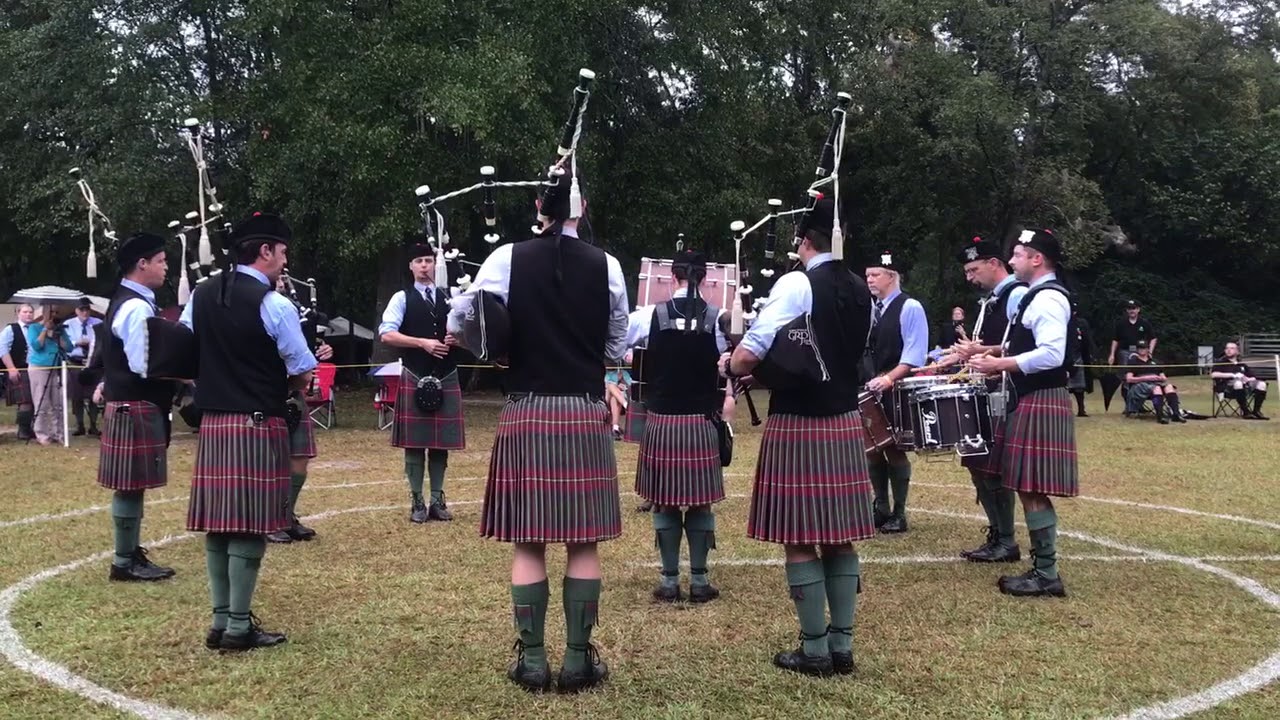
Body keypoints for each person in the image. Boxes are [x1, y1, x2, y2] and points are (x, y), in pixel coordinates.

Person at [450, 161, 627, 693]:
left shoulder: (506, 258)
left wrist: (498, 349)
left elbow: (461, 321)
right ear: (581, 208)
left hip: (526, 409)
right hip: (583, 409)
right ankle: (577, 661)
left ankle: (531, 661)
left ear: (538, 207)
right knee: (583, 541)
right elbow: (616, 344)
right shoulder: (608, 266)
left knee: (529, 542)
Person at [723, 197, 874, 677]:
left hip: (799, 423)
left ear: (804, 240)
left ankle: (814, 650)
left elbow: (751, 352)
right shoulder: (862, 289)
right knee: (841, 538)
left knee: (800, 537)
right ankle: (842, 646)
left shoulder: (796, 283)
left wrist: (733, 365)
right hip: (845, 419)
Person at [181, 213, 317, 651]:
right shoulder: (274, 304)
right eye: (282, 252)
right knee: (249, 526)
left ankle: (220, 621)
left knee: (219, 526)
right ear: (265, 251)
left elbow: (182, 350)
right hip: (258, 423)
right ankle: (238, 628)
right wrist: (286, 384)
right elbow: (302, 368)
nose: (285, 260)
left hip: (214, 423)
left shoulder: (200, 295)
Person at [970, 228, 1078, 597]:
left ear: (1037, 259)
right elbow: (1028, 346)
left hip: (1041, 397)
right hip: (1033, 397)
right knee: (1027, 486)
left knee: (1033, 488)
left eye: (1017, 254)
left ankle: (1047, 574)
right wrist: (990, 354)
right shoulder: (1036, 295)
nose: (1011, 260)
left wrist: (1001, 364)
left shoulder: (1048, 298)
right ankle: (1043, 569)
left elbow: (1052, 354)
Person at [625, 248, 729, 603]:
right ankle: (699, 581)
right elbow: (729, 362)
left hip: (662, 420)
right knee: (700, 504)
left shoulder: (649, 315)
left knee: (665, 502)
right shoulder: (717, 318)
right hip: (700, 421)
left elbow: (619, 344)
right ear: (705, 279)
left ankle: (669, 582)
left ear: (673, 277)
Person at [933, 236, 1026, 563]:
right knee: (978, 465)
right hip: (985, 392)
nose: (970, 277)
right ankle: (998, 534)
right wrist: (960, 355)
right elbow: (989, 346)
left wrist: (981, 350)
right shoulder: (991, 300)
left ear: (994, 264)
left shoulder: (1017, 295)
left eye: (974, 270)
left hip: (1008, 394)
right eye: (966, 272)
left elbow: (1024, 346)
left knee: (993, 470)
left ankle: (1007, 540)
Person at [95, 232, 181, 582]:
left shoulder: (129, 300)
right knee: (130, 485)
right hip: (135, 403)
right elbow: (144, 364)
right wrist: (185, 365)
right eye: (161, 261)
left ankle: (128, 553)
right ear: (142, 264)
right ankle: (124, 560)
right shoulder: (135, 307)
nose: (166, 267)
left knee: (132, 485)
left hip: (129, 404)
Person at [378, 242, 465, 524]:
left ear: (436, 265)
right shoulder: (401, 298)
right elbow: (386, 334)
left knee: (440, 444)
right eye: (419, 261)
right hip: (415, 375)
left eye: (428, 260)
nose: (424, 266)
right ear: (411, 266)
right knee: (414, 444)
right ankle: (417, 500)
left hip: (446, 374)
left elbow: (473, 329)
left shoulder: (452, 296)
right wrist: (422, 343)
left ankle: (437, 500)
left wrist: (459, 338)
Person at [862, 250, 928, 533]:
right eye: (867, 275)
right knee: (872, 449)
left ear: (891, 276)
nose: (869, 280)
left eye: (875, 274)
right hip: (869, 388)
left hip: (896, 389)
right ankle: (881, 507)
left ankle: (899, 513)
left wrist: (888, 379)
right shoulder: (871, 309)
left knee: (895, 449)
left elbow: (915, 354)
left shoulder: (909, 307)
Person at [268, 274, 335, 543]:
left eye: (283, 279)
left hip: (293, 392)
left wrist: (322, 350)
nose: (281, 281)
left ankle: (286, 515)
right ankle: (268, 520)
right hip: (263, 391)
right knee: (269, 462)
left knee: (299, 459)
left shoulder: (294, 312)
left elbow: (305, 348)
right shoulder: (254, 309)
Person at [25, 306, 74, 445]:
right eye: (52, 312)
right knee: (42, 401)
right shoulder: (34, 327)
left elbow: (69, 347)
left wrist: (58, 334)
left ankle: (58, 432)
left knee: (58, 402)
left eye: (57, 312)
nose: (54, 315)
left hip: (57, 367)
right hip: (40, 367)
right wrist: (45, 329)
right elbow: (36, 345)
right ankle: (42, 434)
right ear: (44, 313)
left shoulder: (60, 329)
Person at [1124, 340, 1185, 424]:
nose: (1142, 350)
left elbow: (1163, 377)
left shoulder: (1155, 361)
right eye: (1140, 348)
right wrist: (1146, 378)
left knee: (1169, 387)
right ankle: (1160, 416)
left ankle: (1176, 414)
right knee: (1156, 388)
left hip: (1156, 382)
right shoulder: (1133, 362)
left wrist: (1160, 378)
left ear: (1148, 349)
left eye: (1144, 348)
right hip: (1140, 386)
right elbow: (1129, 379)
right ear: (1137, 349)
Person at [66, 298, 103, 436]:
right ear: (76, 310)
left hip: (93, 363)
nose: (85, 312)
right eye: (82, 309)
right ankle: (79, 424)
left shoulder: (98, 323)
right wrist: (77, 342)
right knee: (77, 396)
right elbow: (65, 343)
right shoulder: (68, 324)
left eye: (87, 309)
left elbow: (102, 341)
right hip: (75, 362)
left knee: (94, 394)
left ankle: (93, 425)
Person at [1, 303, 36, 440]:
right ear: (18, 313)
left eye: (30, 312)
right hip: (19, 368)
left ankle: (30, 428)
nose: (28, 314)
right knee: (25, 400)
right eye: (25, 312)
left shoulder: (36, 328)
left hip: (35, 368)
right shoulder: (10, 329)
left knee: (34, 400)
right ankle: (23, 431)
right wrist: (11, 368)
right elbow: (2, 349)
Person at [1212, 341, 1268, 420]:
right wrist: (1233, 375)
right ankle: (1246, 412)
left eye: (1232, 348)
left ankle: (1256, 411)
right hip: (1227, 389)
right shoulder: (1220, 363)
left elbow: (1253, 377)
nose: (1229, 350)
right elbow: (1214, 374)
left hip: (1245, 389)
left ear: (1237, 351)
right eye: (1227, 348)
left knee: (1262, 384)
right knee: (1238, 383)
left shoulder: (1242, 365)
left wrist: (1247, 379)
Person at [1108, 299, 1156, 365]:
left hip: (1140, 352)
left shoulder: (1144, 323)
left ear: (1138, 309)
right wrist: (1112, 354)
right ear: (1127, 310)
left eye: (1133, 308)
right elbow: (1115, 340)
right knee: (1125, 370)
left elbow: (1153, 338)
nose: (1132, 311)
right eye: (1129, 308)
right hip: (1124, 352)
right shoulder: (1120, 323)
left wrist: (1150, 352)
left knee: (1140, 370)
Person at [1067, 303, 1093, 417]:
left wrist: (1090, 354)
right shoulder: (1062, 323)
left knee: (1079, 387)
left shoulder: (1081, 323)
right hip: (1064, 358)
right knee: (1064, 385)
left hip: (1078, 356)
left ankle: (1081, 410)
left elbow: (1087, 340)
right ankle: (1065, 410)